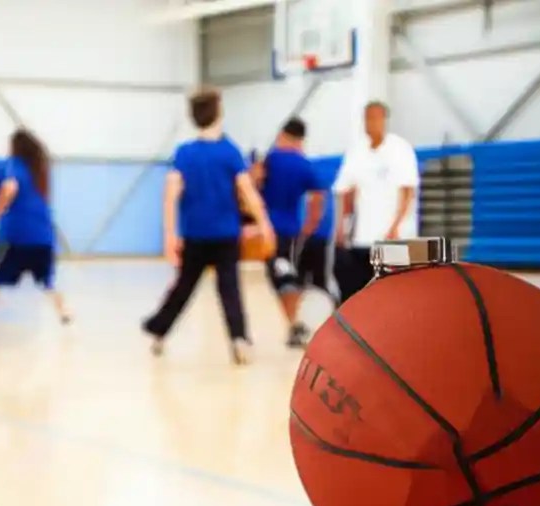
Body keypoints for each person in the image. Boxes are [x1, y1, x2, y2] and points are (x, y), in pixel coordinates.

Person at [142, 88, 273, 366]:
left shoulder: (185, 153)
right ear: (219, 113)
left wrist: (169, 234)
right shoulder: (229, 152)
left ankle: (158, 333)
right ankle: (239, 339)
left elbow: (170, 194)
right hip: (226, 235)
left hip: (194, 235)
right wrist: (264, 224)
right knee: (230, 289)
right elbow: (248, 192)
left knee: (183, 287)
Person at [0, 128, 70, 330]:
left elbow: (9, 188)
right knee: (47, 281)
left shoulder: (12, 166)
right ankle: (64, 312)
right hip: (43, 236)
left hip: (15, 236)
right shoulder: (40, 171)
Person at [332, 101, 420, 300]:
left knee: (394, 293)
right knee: (360, 292)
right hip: (363, 238)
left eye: (375, 118)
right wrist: (340, 226)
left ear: (384, 120)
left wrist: (396, 226)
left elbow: (407, 191)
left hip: (394, 239)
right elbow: (344, 191)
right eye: (367, 118)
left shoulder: (399, 149)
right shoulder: (357, 152)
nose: (370, 123)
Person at [260, 117, 330, 348]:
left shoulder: (270, 160)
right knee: (284, 277)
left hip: (267, 231)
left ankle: (295, 326)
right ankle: (294, 325)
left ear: (283, 133)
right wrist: (311, 223)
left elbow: (252, 181)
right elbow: (319, 195)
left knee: (283, 279)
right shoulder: (303, 164)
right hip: (290, 231)